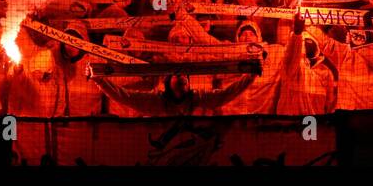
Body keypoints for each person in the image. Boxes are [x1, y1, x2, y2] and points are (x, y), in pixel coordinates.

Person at [93, 70, 255, 117]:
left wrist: (250, 76)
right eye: (178, 75)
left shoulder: (197, 97)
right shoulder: (156, 101)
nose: (182, 77)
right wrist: (99, 80)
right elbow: (123, 95)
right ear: (168, 81)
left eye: (185, 75)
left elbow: (226, 94)